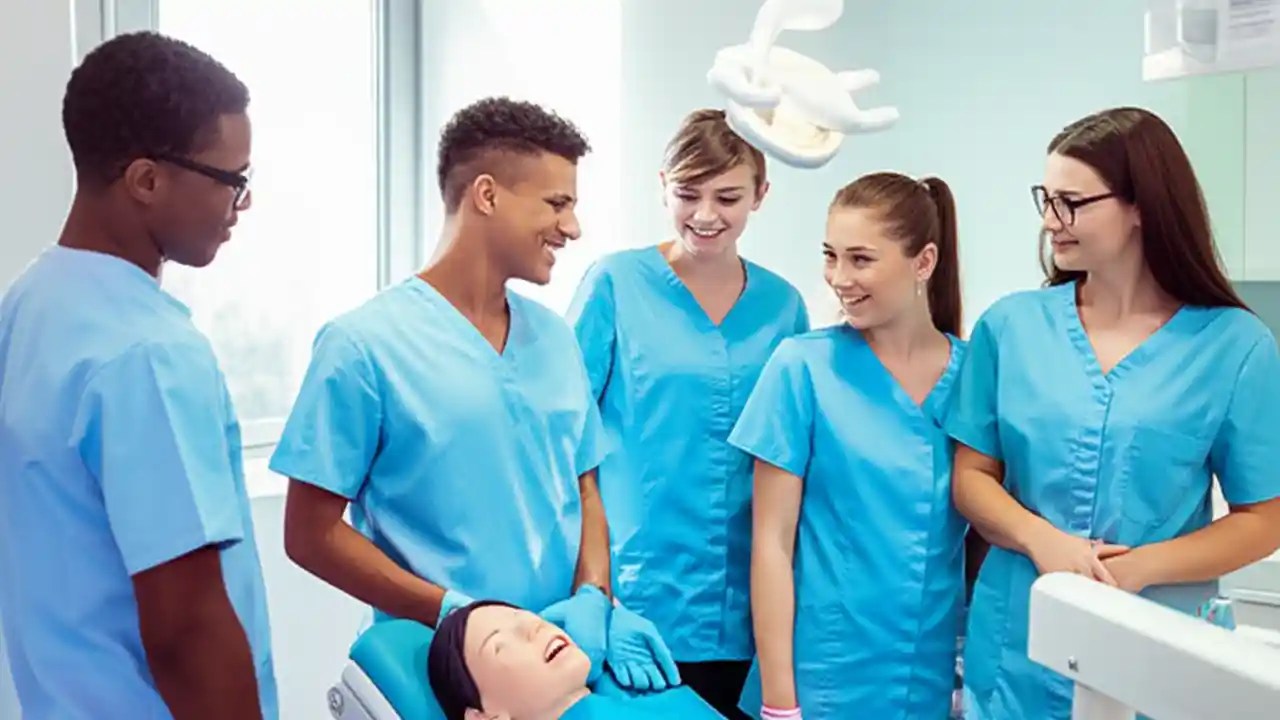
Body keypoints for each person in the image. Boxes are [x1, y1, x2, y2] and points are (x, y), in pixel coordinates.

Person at [270, 96, 668, 687]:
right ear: (486, 195)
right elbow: (310, 535)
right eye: (556, 203)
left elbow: (584, 485)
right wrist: (455, 614)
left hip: (561, 661)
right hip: (446, 666)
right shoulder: (363, 346)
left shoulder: (554, 338)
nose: (572, 227)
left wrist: (594, 596)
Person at [945, 106, 1280, 719]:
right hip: (1018, 639)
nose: (1050, 221)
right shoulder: (1011, 327)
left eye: (1071, 203)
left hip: (1157, 642)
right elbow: (971, 477)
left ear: (1141, 206)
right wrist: (1043, 541)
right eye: (1046, 200)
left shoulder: (1236, 347)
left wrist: (1138, 569)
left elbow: (1264, 517)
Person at [0, 31, 276, 719]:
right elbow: (186, 632)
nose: (242, 205)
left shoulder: (29, 305)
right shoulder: (148, 354)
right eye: (232, 181)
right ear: (147, 180)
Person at [565, 108, 808, 718]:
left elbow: (797, 452)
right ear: (662, 186)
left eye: (728, 197)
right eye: (687, 193)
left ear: (761, 194)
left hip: (749, 604)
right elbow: (564, 437)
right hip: (636, 598)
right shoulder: (615, 284)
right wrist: (594, 591)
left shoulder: (783, 306)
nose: (705, 215)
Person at [730, 171, 968, 719]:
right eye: (830, 256)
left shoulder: (975, 374)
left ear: (924, 262)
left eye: (860, 259)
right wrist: (780, 704)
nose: (839, 278)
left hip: (924, 678)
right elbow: (771, 544)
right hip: (819, 677)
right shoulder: (802, 367)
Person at [428, 600, 724, 719]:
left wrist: (606, 605)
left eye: (524, 615)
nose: (534, 625)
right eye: (500, 645)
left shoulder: (625, 692)